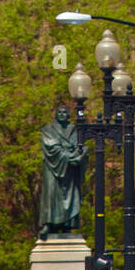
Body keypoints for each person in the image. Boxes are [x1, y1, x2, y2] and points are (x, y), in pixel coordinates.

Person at [38, 102, 88, 238]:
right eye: (59, 112)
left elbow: (81, 146)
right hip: (53, 168)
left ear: (69, 115)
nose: (61, 114)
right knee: (51, 195)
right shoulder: (48, 130)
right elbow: (51, 147)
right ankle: (49, 224)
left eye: (64, 112)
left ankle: (68, 224)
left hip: (70, 170)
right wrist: (70, 155)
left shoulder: (75, 130)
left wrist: (80, 156)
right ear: (55, 114)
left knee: (72, 195)